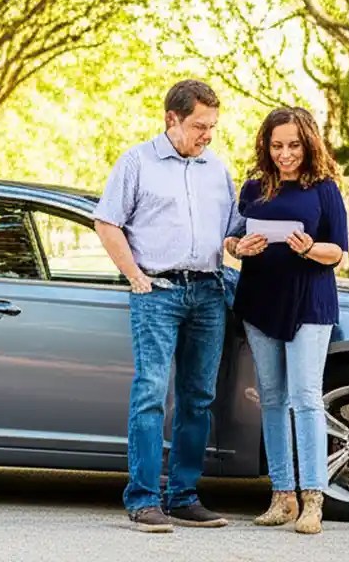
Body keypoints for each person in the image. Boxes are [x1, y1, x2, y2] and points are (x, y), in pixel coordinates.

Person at [93, 79, 243, 533]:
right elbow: (107, 221)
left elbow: (231, 232)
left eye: (213, 126)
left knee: (198, 399)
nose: (207, 135)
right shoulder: (137, 162)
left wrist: (246, 243)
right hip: (157, 293)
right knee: (150, 396)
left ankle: (183, 496)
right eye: (199, 126)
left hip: (208, 294)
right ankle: (143, 499)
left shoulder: (216, 169)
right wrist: (135, 276)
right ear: (171, 119)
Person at [226, 106, 348, 535]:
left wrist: (309, 248)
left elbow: (339, 253)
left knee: (306, 398)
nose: (285, 154)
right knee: (273, 399)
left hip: (309, 302)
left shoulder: (325, 190)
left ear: (309, 143)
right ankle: (282, 497)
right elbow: (231, 238)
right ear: (266, 146)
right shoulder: (254, 187)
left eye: (293, 145)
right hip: (260, 300)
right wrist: (240, 248)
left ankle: (313, 499)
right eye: (277, 146)